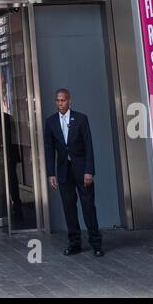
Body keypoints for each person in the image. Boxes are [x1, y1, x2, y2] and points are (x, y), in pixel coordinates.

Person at [43, 88, 104, 257]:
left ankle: (96, 244)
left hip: (82, 170)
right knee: (69, 209)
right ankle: (75, 243)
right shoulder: (51, 122)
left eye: (63, 100)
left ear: (70, 101)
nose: (60, 103)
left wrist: (89, 171)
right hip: (63, 172)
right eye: (57, 100)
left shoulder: (81, 119)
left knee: (88, 207)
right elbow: (49, 149)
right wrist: (51, 173)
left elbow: (89, 147)